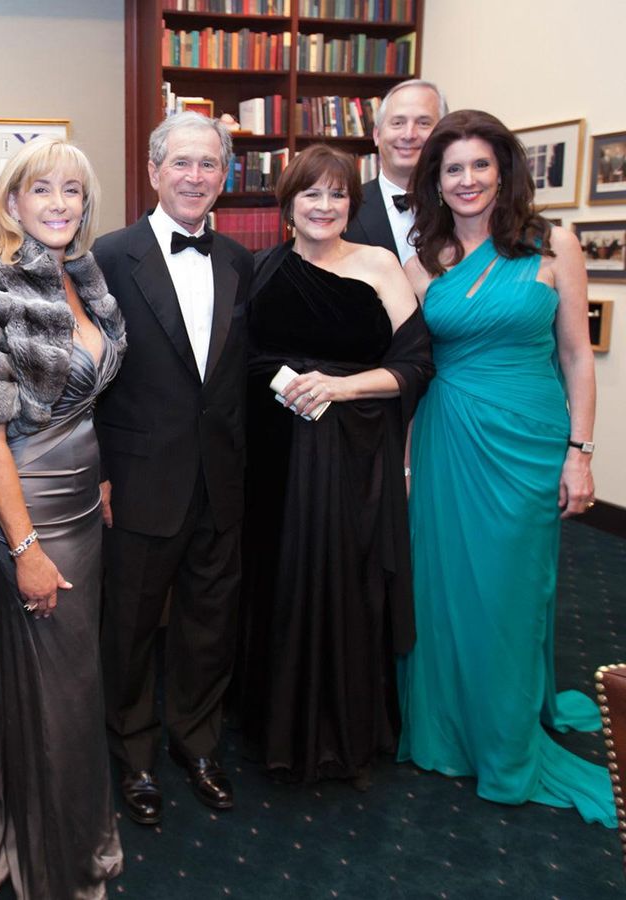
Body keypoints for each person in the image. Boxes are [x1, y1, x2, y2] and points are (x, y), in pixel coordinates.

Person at [398, 109, 614, 827]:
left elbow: (578, 357)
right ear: (436, 180)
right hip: (447, 440)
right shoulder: (422, 260)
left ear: (504, 171)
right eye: (451, 168)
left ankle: (507, 742)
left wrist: (580, 454)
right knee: (447, 589)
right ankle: (453, 728)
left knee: (513, 591)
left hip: (528, 439)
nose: (466, 180)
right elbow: (408, 365)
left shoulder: (554, 243)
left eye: (479, 166)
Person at [0, 138, 125, 898]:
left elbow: (87, 393)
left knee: (67, 685)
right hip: (30, 507)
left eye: (71, 191)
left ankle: (46, 832)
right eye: (40, 190)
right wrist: (24, 549)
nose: (58, 203)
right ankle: (49, 865)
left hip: (83, 498)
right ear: (11, 203)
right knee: (57, 689)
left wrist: (103, 475)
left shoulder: (86, 276)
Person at [234, 144, 433, 787]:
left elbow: (417, 363)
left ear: (353, 202)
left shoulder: (380, 265)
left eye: (338, 194)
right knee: (279, 578)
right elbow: (243, 360)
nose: (324, 206)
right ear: (287, 203)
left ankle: (345, 731)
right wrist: (290, 381)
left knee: (349, 579)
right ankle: (278, 728)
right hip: (278, 455)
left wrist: (339, 388)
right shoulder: (262, 268)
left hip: (355, 453)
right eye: (310, 194)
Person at [93, 111, 251, 826]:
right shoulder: (105, 255)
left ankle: (198, 743)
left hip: (220, 479)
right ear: (153, 171)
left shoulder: (239, 259)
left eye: (208, 165)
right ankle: (133, 752)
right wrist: (97, 472)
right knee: (127, 628)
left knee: (208, 624)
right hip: (138, 477)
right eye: (180, 163)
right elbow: (86, 379)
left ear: (225, 176)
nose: (195, 177)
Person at [345, 79, 447, 263]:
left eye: (424, 123)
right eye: (398, 123)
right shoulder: (346, 206)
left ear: (443, 133)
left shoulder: (463, 206)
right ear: (377, 135)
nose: (409, 134)